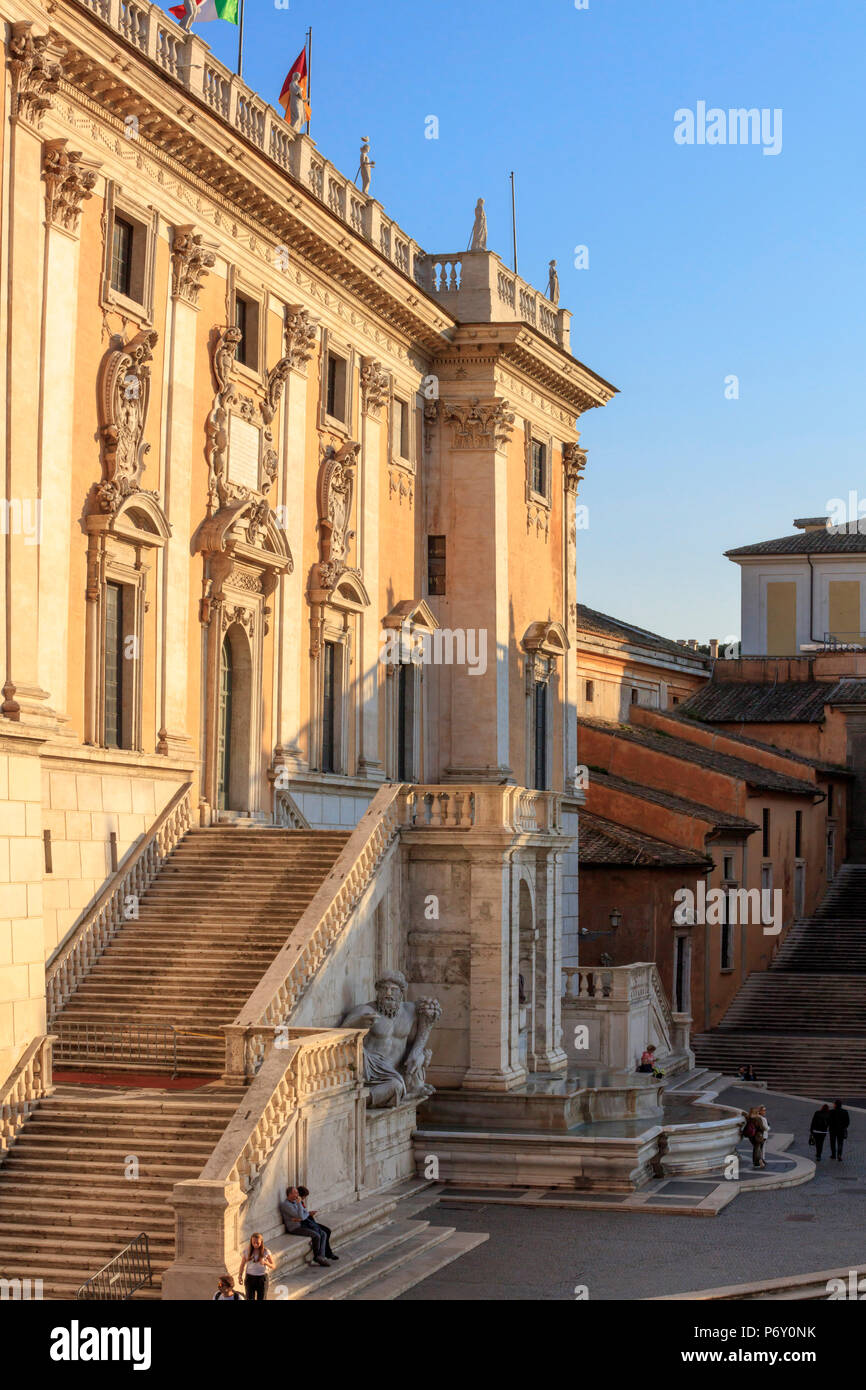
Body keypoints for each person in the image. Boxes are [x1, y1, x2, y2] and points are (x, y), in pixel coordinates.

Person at [280, 1186, 335, 1266]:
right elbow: (301, 1216)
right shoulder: (286, 1205)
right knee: (316, 1235)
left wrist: (302, 1216)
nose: (297, 1195)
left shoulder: (295, 1202)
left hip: (302, 1223)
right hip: (295, 1227)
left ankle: (321, 1256)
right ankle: (317, 1256)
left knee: (323, 1233)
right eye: (295, 1193)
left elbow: (305, 1213)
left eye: (297, 1193)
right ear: (290, 1194)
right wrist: (300, 1209)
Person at [238, 1232, 274, 1300]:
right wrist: (240, 1276)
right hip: (250, 1278)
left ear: (261, 1242)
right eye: (253, 1242)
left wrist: (266, 1263)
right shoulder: (247, 1251)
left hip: (262, 1278)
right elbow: (242, 1265)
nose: (255, 1244)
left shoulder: (266, 1251)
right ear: (251, 1242)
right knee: (249, 1298)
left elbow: (273, 1266)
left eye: (257, 1243)